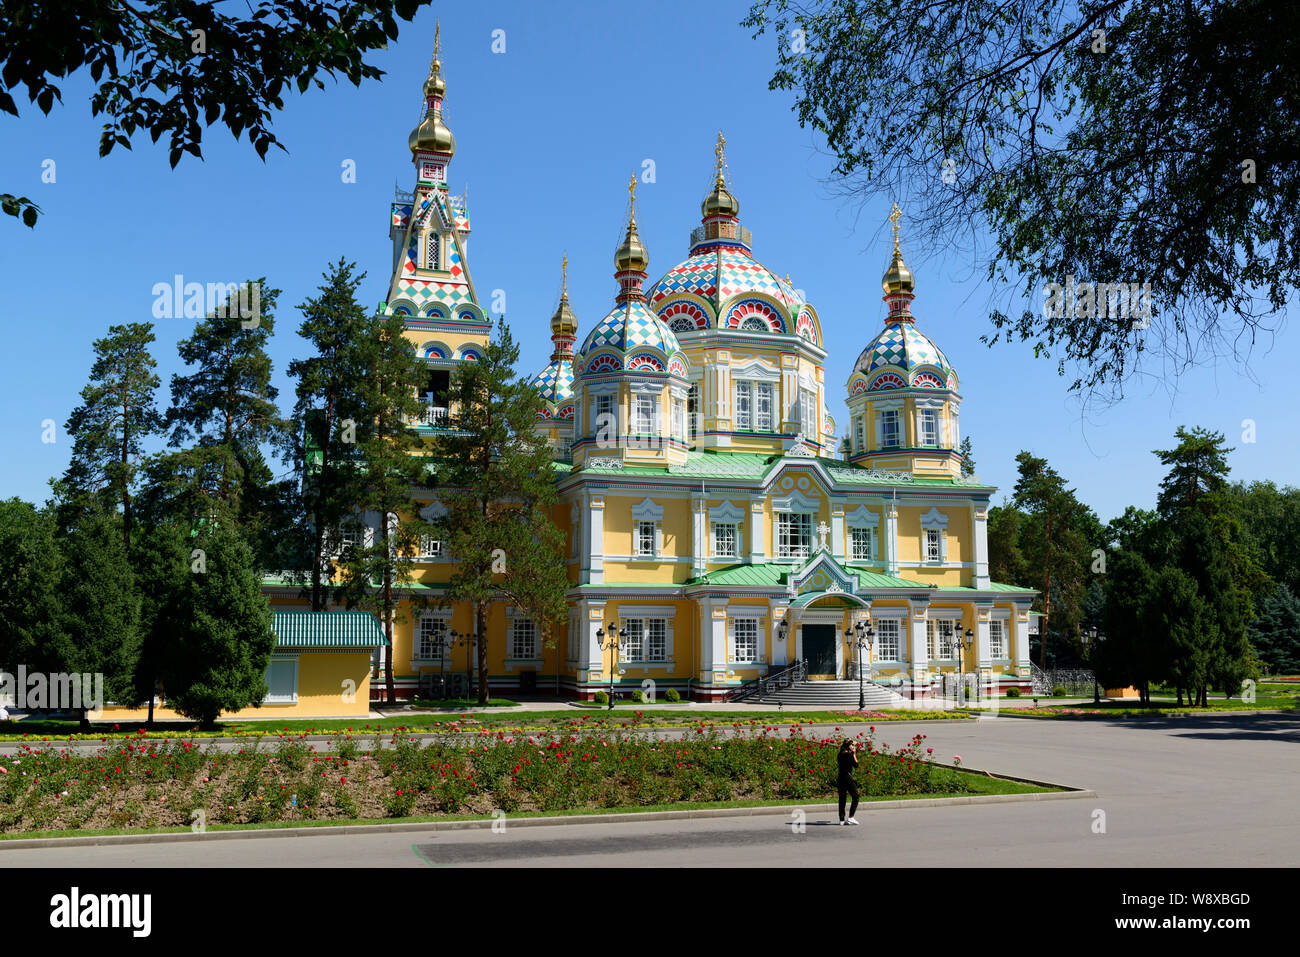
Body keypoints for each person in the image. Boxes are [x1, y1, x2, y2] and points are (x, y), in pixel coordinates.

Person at [837, 739, 860, 825]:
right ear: (848, 746)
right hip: (847, 777)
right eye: (852, 745)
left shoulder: (840, 754)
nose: (854, 747)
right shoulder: (849, 755)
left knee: (842, 798)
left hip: (840, 777)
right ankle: (851, 817)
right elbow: (856, 765)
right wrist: (854, 754)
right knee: (856, 796)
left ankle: (841, 819)